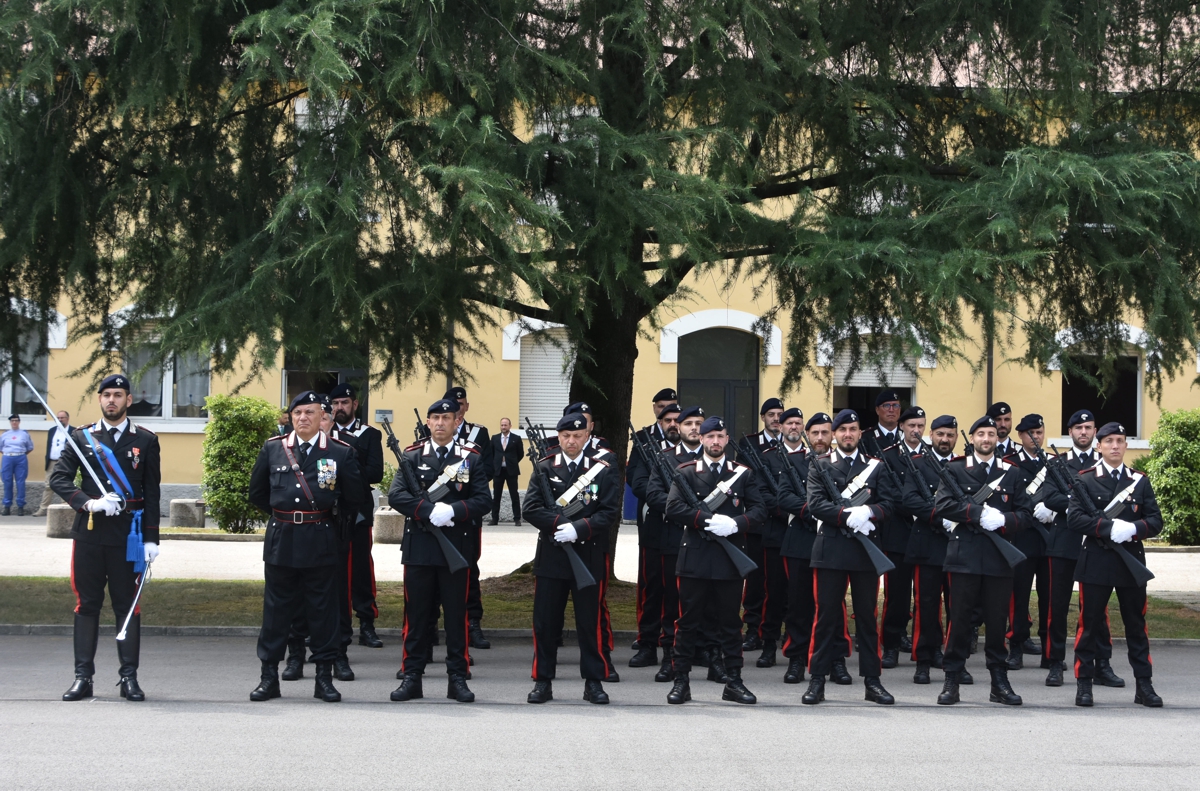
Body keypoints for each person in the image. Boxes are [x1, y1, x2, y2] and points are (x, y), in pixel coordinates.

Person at [246, 391, 366, 703]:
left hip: (321, 540)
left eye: (310, 412)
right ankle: (268, 678)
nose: (303, 418)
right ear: (290, 417)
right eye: (297, 412)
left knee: (323, 612)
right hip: (282, 540)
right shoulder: (274, 448)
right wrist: (285, 514)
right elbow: (257, 492)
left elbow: (355, 498)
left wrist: (331, 524)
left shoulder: (340, 452)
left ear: (322, 416)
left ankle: (323, 679)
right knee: (275, 613)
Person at [50, 374, 161, 702]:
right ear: (99, 399)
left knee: (128, 607)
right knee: (87, 605)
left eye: (118, 395)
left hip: (130, 537)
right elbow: (59, 478)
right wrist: (89, 503)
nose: (112, 400)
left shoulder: (146, 440)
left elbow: (152, 492)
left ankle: (129, 678)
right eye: (106, 394)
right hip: (91, 533)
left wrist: (152, 539)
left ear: (129, 400)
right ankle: (82, 677)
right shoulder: (81, 437)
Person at [387, 398, 491, 704]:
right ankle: (412, 676)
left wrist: (453, 511)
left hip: (456, 546)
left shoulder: (471, 458)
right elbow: (396, 495)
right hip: (420, 547)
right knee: (417, 616)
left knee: (456, 616)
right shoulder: (412, 455)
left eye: (447, 418)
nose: (441, 423)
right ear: (428, 423)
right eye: (435, 418)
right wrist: (427, 510)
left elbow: (483, 500)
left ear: (457, 421)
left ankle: (457, 677)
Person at [665, 415, 766, 705]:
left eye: (721, 436)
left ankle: (734, 681)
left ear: (727, 439)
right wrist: (707, 520)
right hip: (695, 557)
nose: (715, 441)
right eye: (710, 436)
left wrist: (736, 524)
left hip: (729, 558)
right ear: (702, 439)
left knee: (730, 623)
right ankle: (681, 681)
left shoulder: (742, 474)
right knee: (687, 622)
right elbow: (673, 508)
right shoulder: (686, 472)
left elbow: (760, 510)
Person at [522, 413, 622, 705]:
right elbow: (530, 508)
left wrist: (579, 529)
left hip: (588, 555)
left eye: (577, 436)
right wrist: (558, 525)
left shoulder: (601, 469)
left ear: (587, 436)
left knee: (589, 623)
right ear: (559, 437)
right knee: (545, 622)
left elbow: (609, 511)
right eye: (566, 436)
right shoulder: (544, 467)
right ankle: (542, 681)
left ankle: (594, 682)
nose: (571, 441)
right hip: (552, 556)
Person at [803, 409, 901, 706]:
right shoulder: (820, 465)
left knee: (868, 618)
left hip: (864, 552)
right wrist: (847, 515)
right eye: (842, 429)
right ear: (834, 434)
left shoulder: (876, 467)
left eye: (853, 429)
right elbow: (815, 504)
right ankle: (817, 681)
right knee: (825, 618)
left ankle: (873, 682)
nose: (848, 434)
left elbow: (890, 504)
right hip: (830, 550)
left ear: (860, 433)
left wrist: (870, 511)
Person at [932, 415, 1032, 706]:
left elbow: (1026, 515)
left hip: (999, 558)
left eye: (991, 434)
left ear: (997, 438)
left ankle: (999, 683)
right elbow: (943, 505)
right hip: (964, 556)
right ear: (972, 438)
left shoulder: (1011, 473)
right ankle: (952, 680)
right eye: (981, 434)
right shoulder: (954, 469)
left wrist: (1003, 520)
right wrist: (978, 514)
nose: (986, 439)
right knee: (960, 620)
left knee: (997, 623)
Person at [1067, 421, 1163, 707]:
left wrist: (1133, 529)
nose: (1115, 446)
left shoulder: (1139, 481)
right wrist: (1109, 529)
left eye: (1120, 441)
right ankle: (1084, 684)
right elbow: (1075, 519)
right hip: (1096, 560)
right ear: (1099, 446)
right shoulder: (1085, 480)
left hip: (1130, 561)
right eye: (1109, 441)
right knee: (1089, 625)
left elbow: (1155, 521)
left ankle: (1144, 685)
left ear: (1126, 445)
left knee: (1136, 625)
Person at [642, 405, 706, 682]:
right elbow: (653, 494)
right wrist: (685, 510)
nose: (694, 428)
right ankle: (671, 657)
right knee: (672, 600)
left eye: (699, 423)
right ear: (678, 427)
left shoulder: (715, 457)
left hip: (706, 540)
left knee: (706, 599)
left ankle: (707, 652)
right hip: (673, 538)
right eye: (688, 423)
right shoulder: (665, 458)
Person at [900, 414, 959, 684]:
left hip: (957, 544)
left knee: (958, 606)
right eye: (940, 434)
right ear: (931, 435)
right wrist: (940, 517)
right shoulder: (917, 464)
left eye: (950, 435)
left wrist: (955, 518)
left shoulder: (963, 465)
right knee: (926, 604)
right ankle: (923, 659)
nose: (945, 439)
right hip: (927, 543)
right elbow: (910, 500)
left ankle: (954, 660)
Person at [329, 384, 386, 649]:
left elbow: (376, 473)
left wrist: (345, 466)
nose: (339, 407)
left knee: (361, 569)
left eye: (344, 402)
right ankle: (330, 625)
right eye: (335, 403)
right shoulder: (323, 433)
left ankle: (366, 623)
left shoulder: (369, 434)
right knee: (328, 569)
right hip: (328, 510)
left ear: (354, 404)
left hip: (358, 510)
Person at [627, 403, 681, 669]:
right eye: (667, 420)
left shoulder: (693, 451)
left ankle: (681, 648)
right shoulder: (647, 447)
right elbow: (638, 483)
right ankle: (647, 644)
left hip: (684, 531)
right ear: (659, 423)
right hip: (656, 528)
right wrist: (675, 502)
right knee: (653, 589)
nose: (673, 424)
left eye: (677, 420)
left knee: (680, 592)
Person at [874, 405, 928, 669]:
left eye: (920, 426)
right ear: (902, 427)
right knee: (897, 595)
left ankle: (925, 647)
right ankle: (892, 645)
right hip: (898, 532)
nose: (916, 430)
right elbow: (887, 494)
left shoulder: (931, 457)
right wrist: (917, 506)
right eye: (912, 426)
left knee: (927, 596)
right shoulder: (888, 456)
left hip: (927, 531)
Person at [445, 386, 494, 650]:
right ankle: (430, 627)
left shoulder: (479, 434)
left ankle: (472, 623)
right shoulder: (431, 431)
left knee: (469, 570)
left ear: (466, 407)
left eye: (461, 404)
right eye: (453, 405)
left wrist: (466, 485)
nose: (458, 408)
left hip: (467, 513)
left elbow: (489, 468)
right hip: (436, 514)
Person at [772, 409, 817, 681]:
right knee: (798, 605)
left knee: (831, 605)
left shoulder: (841, 464)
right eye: (815, 432)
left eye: (825, 432)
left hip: (833, 541)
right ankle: (797, 658)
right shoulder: (793, 461)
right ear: (808, 434)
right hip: (799, 538)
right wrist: (816, 511)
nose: (820, 437)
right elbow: (784, 498)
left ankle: (832, 658)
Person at [738, 397, 784, 652]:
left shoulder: (790, 444)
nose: (776, 418)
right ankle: (753, 630)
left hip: (783, 522)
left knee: (780, 582)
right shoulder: (749, 444)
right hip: (757, 523)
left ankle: (778, 630)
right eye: (771, 414)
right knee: (755, 581)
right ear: (763, 417)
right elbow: (744, 480)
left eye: (779, 414)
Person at [1004, 414, 1050, 671]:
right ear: (1021, 436)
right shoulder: (1010, 464)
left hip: (1048, 540)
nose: (1036, 437)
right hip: (1020, 539)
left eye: (1039, 432)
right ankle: (1016, 647)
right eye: (1030, 433)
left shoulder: (1053, 463)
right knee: (1018, 597)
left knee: (1050, 598)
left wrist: (1052, 509)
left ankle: (1049, 650)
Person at [33, 410, 72, 517]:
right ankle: (43, 509)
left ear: (67, 419)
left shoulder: (73, 431)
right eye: (58, 418)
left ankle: (64, 507)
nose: (60, 420)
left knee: (65, 484)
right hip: (51, 462)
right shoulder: (52, 431)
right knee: (48, 486)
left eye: (62, 418)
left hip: (65, 462)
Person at [489, 417, 524, 526]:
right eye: (502, 425)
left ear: (510, 426)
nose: (503, 427)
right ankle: (494, 519)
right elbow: (491, 453)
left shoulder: (516, 438)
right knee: (496, 496)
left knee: (514, 495)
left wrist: (511, 462)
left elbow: (520, 454)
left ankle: (517, 519)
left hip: (511, 471)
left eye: (505, 425)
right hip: (498, 471)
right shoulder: (494, 438)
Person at [2, 414, 34, 516]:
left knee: (20, 482)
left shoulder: (24, 434)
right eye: (12, 421)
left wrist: (20, 454)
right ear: (10, 422)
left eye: (16, 420)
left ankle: (20, 506)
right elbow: (1, 447)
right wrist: (9, 454)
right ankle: (7, 506)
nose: (14, 422)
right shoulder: (5, 434)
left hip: (20, 458)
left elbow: (30, 447)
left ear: (19, 422)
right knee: (7, 482)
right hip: (7, 458)